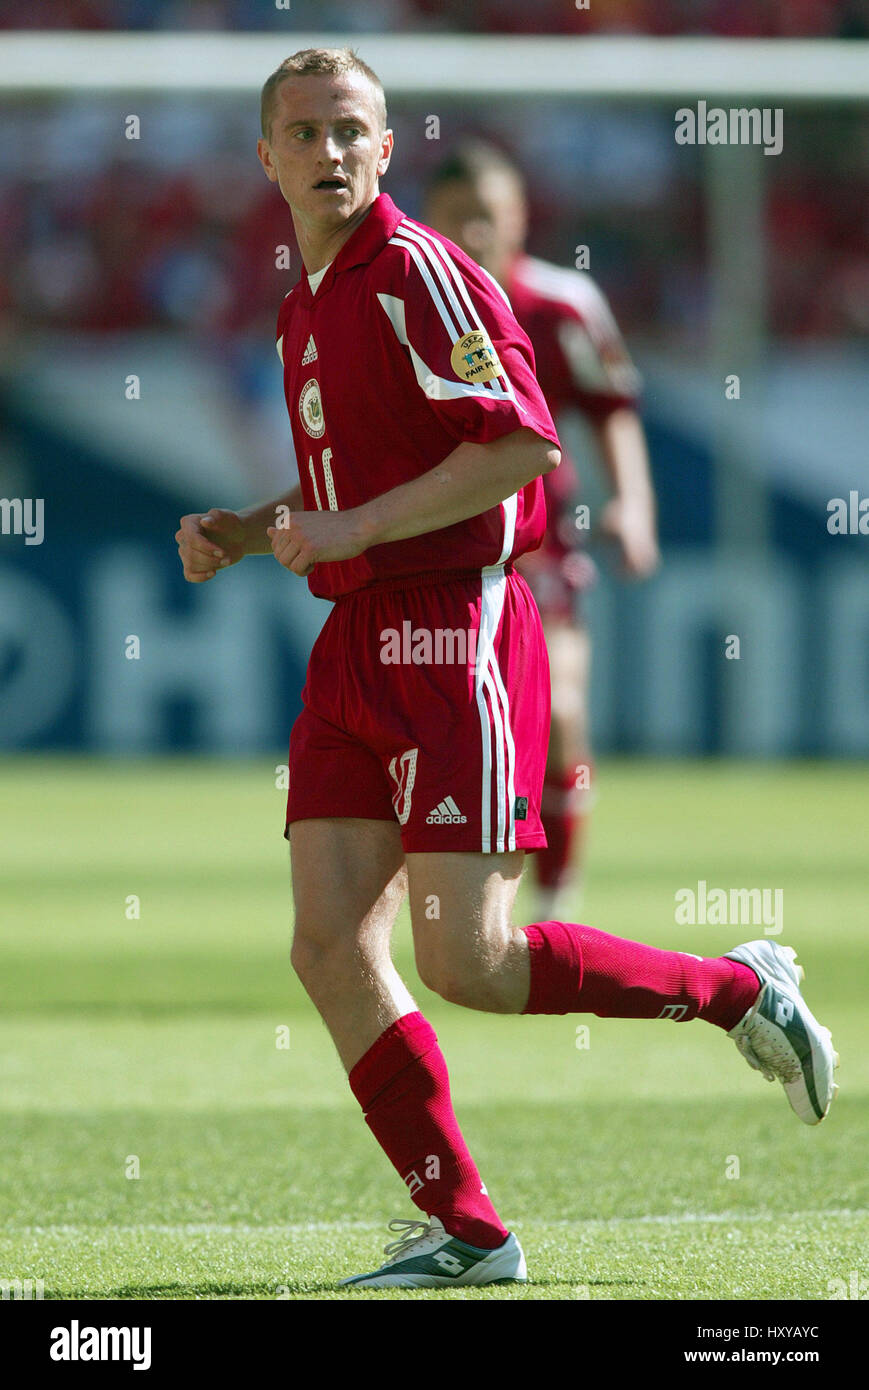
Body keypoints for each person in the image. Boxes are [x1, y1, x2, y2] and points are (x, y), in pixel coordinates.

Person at [175, 48, 838, 1290]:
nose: (329, 152)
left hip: (454, 631)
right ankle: (469, 1232)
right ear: (264, 158)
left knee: (467, 961)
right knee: (326, 948)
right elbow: (342, 488)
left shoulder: (417, 272)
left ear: (385, 147)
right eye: (303, 133)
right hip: (353, 643)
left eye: (350, 130)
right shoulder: (304, 302)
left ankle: (735, 990)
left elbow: (522, 445)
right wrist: (242, 525)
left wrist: (351, 529)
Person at [425, 140, 659, 920]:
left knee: (558, 713)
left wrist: (632, 503)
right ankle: (426, 912)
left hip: (539, 545)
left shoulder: (561, 304)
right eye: (458, 219)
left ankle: (556, 912)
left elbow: (610, 407)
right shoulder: (410, 304)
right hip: (434, 551)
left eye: (487, 217)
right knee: (441, 730)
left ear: (519, 217)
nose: (475, 234)